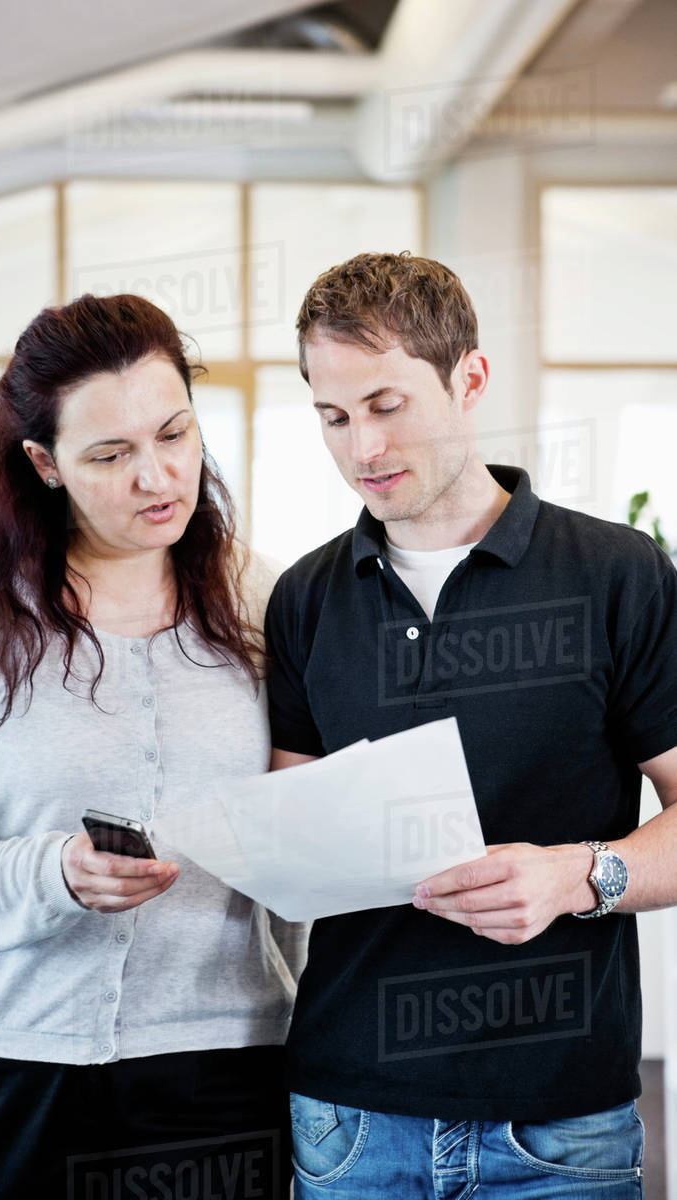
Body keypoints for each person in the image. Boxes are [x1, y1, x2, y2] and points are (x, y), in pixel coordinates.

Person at [0, 292, 307, 1200]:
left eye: (175, 434)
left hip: (223, 1076)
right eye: (110, 455)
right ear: (45, 463)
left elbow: (297, 845)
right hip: (3, 1081)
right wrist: (54, 875)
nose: (158, 476)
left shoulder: (263, 598)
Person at [265, 251, 677, 1198]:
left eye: (386, 404)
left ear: (469, 379)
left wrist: (581, 875)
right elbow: (294, 828)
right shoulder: (304, 598)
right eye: (333, 416)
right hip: (349, 1120)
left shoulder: (615, 575)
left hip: (559, 1124)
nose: (362, 448)